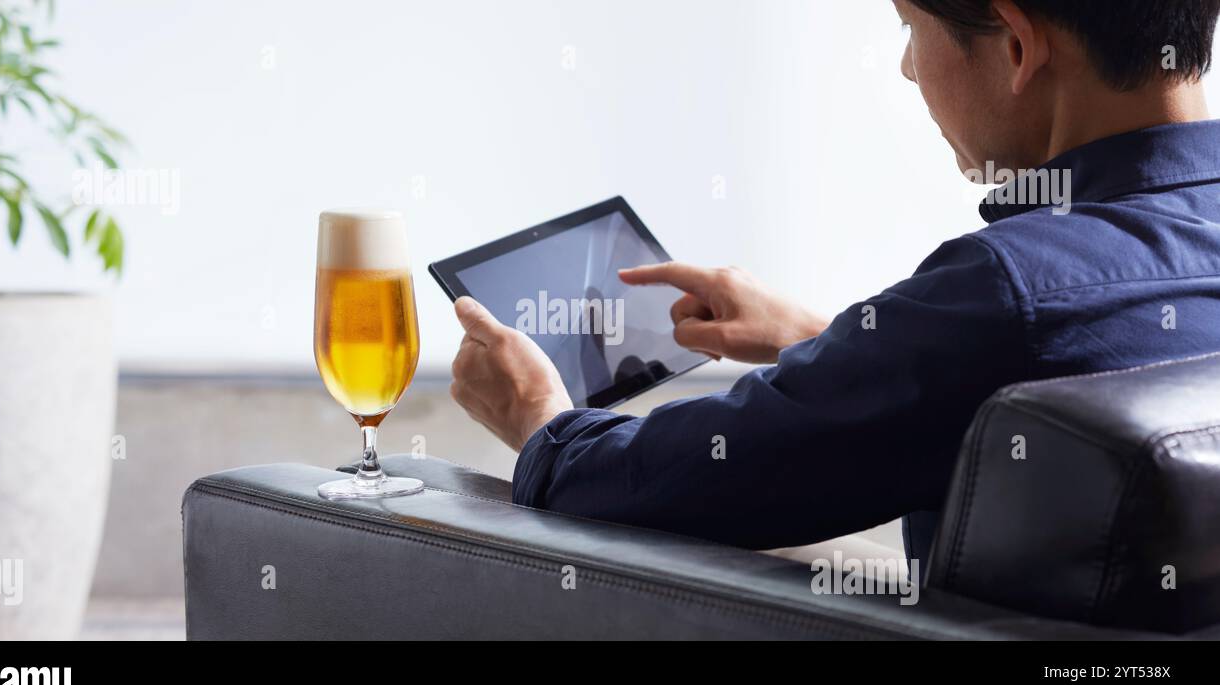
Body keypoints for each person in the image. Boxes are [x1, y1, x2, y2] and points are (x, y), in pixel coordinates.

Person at [447, 0, 1220, 562]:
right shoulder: (1014, 315)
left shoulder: (1001, 296)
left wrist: (542, 424)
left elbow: (671, 482)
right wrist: (826, 342)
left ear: (1016, 44)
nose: (909, 67)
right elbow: (1056, 369)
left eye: (909, 30)